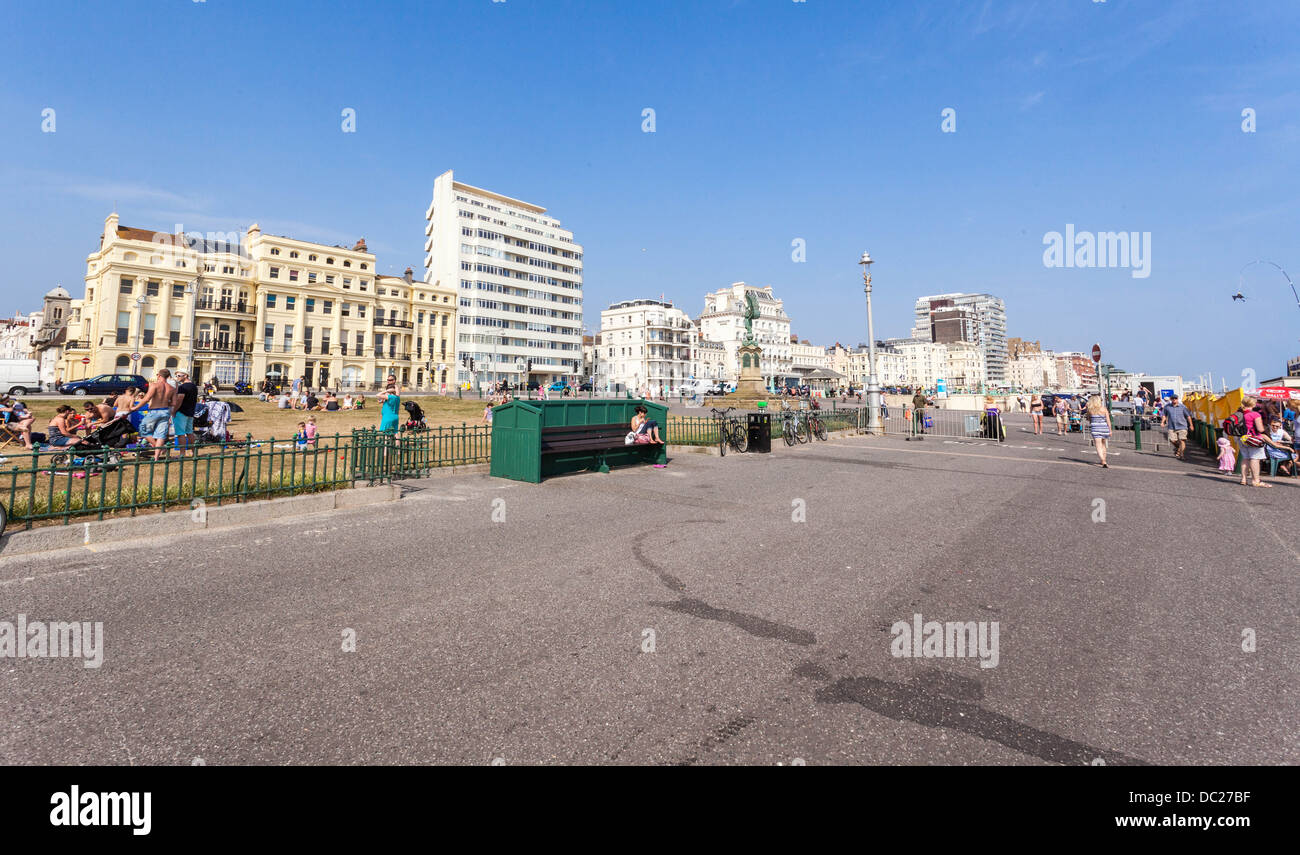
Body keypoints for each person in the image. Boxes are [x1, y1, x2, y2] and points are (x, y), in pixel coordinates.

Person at [130, 369, 175, 457]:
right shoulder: (172, 388)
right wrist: (165, 402)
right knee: (161, 435)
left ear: (159, 375)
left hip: (154, 411)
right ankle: (156, 457)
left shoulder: (154, 385)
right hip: (165, 411)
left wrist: (135, 407)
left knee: (144, 431)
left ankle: (157, 447)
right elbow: (173, 403)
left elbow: (146, 398)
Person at [1236, 396, 1269, 487]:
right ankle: (1256, 480)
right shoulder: (1255, 414)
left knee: (1245, 458)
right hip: (1253, 439)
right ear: (1253, 404)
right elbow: (1260, 429)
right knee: (1255, 459)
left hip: (1242, 438)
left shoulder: (1239, 413)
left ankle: (1243, 479)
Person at [171, 371, 199, 458]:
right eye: (176, 376)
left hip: (181, 412)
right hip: (190, 411)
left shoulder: (183, 387)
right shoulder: (194, 386)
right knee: (190, 432)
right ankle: (194, 452)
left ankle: (182, 454)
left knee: (180, 434)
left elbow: (179, 399)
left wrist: (174, 410)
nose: (177, 377)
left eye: (179, 375)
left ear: (185, 375)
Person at [1085, 395, 1112, 468]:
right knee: (1103, 445)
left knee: (1098, 445)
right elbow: (1108, 421)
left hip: (1095, 428)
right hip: (1104, 428)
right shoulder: (1104, 409)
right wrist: (1110, 430)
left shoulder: (1090, 410)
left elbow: (1088, 419)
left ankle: (1103, 460)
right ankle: (1104, 460)